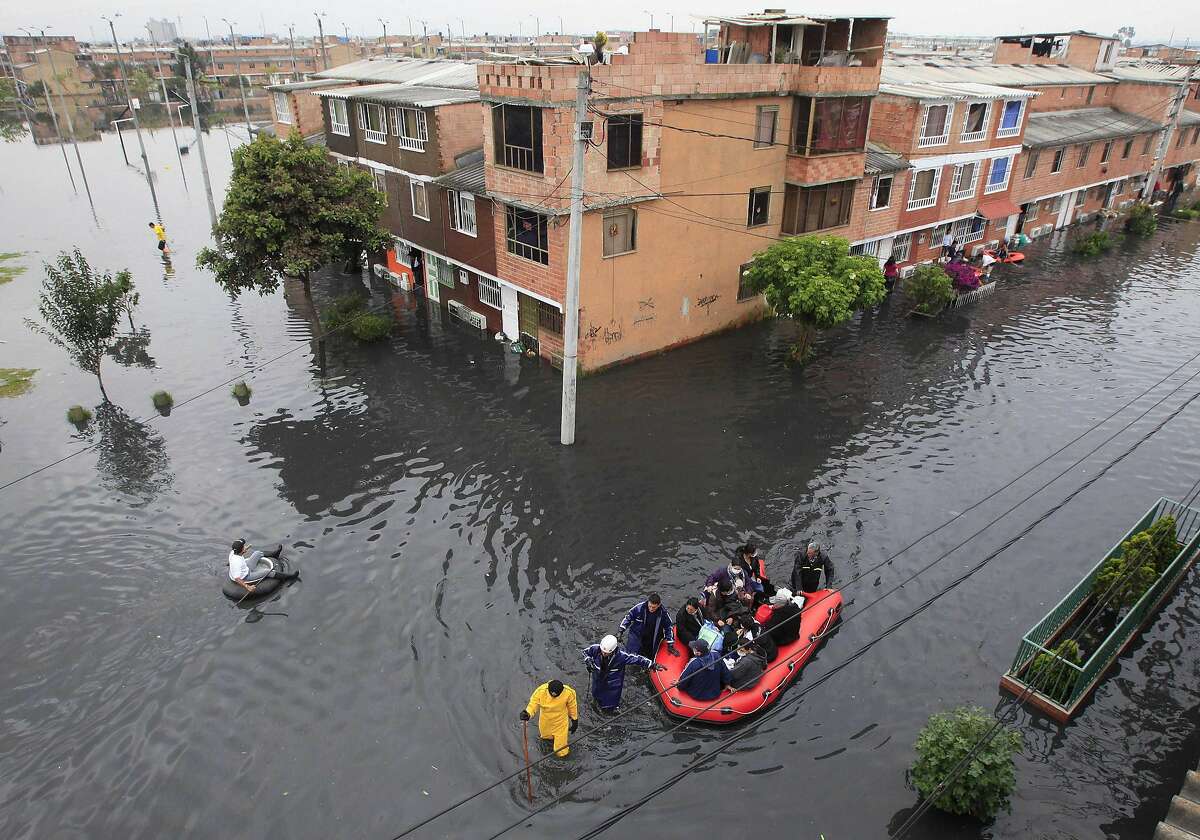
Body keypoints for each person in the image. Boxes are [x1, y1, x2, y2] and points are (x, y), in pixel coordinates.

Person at [582, 635, 664, 712]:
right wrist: (588, 660)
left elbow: (637, 659)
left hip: (612, 686)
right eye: (602, 651)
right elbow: (585, 652)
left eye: (606, 653)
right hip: (598, 681)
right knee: (596, 696)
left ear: (613, 650)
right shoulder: (595, 649)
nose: (603, 654)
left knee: (609, 706)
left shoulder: (622, 657)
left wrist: (652, 665)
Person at [520, 679, 579, 757]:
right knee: (546, 739)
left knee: (561, 750)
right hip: (545, 722)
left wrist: (574, 720)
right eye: (552, 694)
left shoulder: (569, 693)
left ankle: (563, 759)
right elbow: (533, 705)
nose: (553, 695)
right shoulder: (541, 691)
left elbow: (572, 707)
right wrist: (527, 713)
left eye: (556, 695)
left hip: (560, 723)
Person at [227, 539, 297, 595]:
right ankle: (290, 576)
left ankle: (275, 554)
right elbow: (237, 578)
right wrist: (248, 587)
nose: (245, 547)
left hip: (245, 568)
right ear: (241, 550)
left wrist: (245, 549)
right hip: (246, 576)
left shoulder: (233, 552)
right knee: (267, 571)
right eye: (243, 546)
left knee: (257, 553)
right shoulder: (237, 562)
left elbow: (232, 561)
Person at [619, 593, 679, 659]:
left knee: (650, 656)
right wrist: (621, 631)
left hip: (652, 638)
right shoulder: (639, 608)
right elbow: (628, 618)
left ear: (658, 605)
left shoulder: (663, 614)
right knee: (631, 655)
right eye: (649, 606)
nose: (651, 609)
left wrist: (670, 644)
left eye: (653, 607)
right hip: (636, 636)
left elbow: (668, 627)